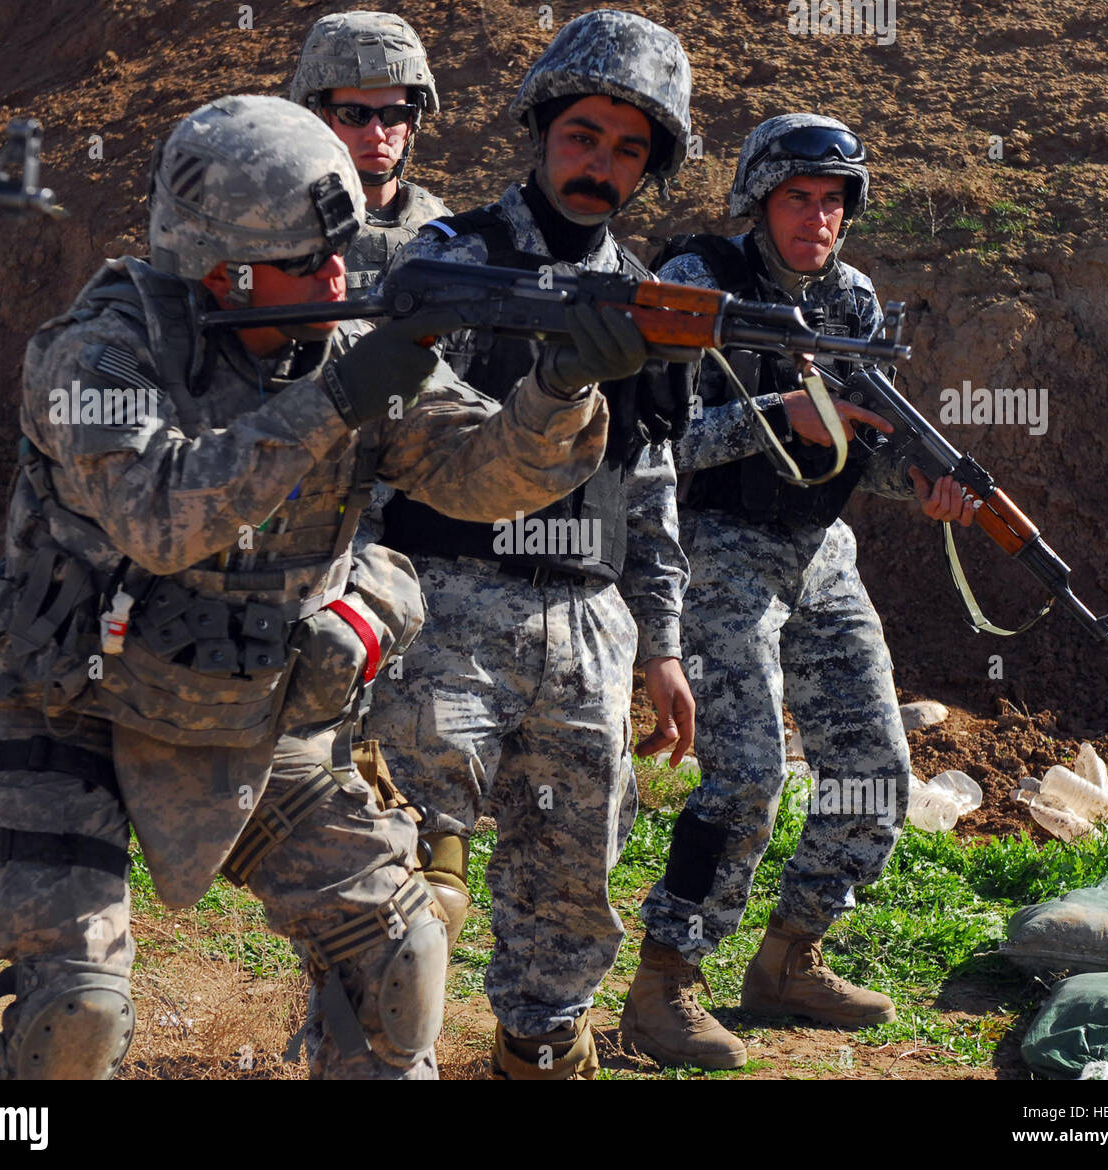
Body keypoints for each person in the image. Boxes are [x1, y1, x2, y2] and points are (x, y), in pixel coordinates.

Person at [0, 94, 623, 1082]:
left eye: (339, 251)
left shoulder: (346, 351)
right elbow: (159, 518)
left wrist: (557, 395)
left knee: (402, 976)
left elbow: (480, 477)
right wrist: (338, 402)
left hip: (258, 711)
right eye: (307, 263)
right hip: (72, 709)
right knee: (73, 1023)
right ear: (222, 270)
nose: (337, 278)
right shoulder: (97, 349)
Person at [358, 9, 697, 1079]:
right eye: (583, 136)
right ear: (541, 130)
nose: (601, 166)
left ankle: (540, 1047)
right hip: (442, 599)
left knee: (573, 880)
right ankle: (363, 1043)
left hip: (585, 617)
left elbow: (648, 483)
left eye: (629, 149)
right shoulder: (452, 260)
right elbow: (397, 434)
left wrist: (661, 644)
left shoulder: (650, 297)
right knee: (410, 867)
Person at [619, 113, 976, 1070]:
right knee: (746, 779)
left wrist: (924, 485)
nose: (818, 219)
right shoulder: (695, 281)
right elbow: (647, 443)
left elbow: (872, 431)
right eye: (797, 199)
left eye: (833, 202)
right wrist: (772, 415)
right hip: (712, 550)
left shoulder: (852, 300)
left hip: (819, 553)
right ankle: (663, 985)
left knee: (874, 770)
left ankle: (788, 961)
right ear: (757, 201)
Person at [290, 11, 449, 294]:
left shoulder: (441, 227)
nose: (376, 133)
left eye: (394, 114)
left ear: (413, 122)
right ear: (318, 118)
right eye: (354, 114)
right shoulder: (285, 234)